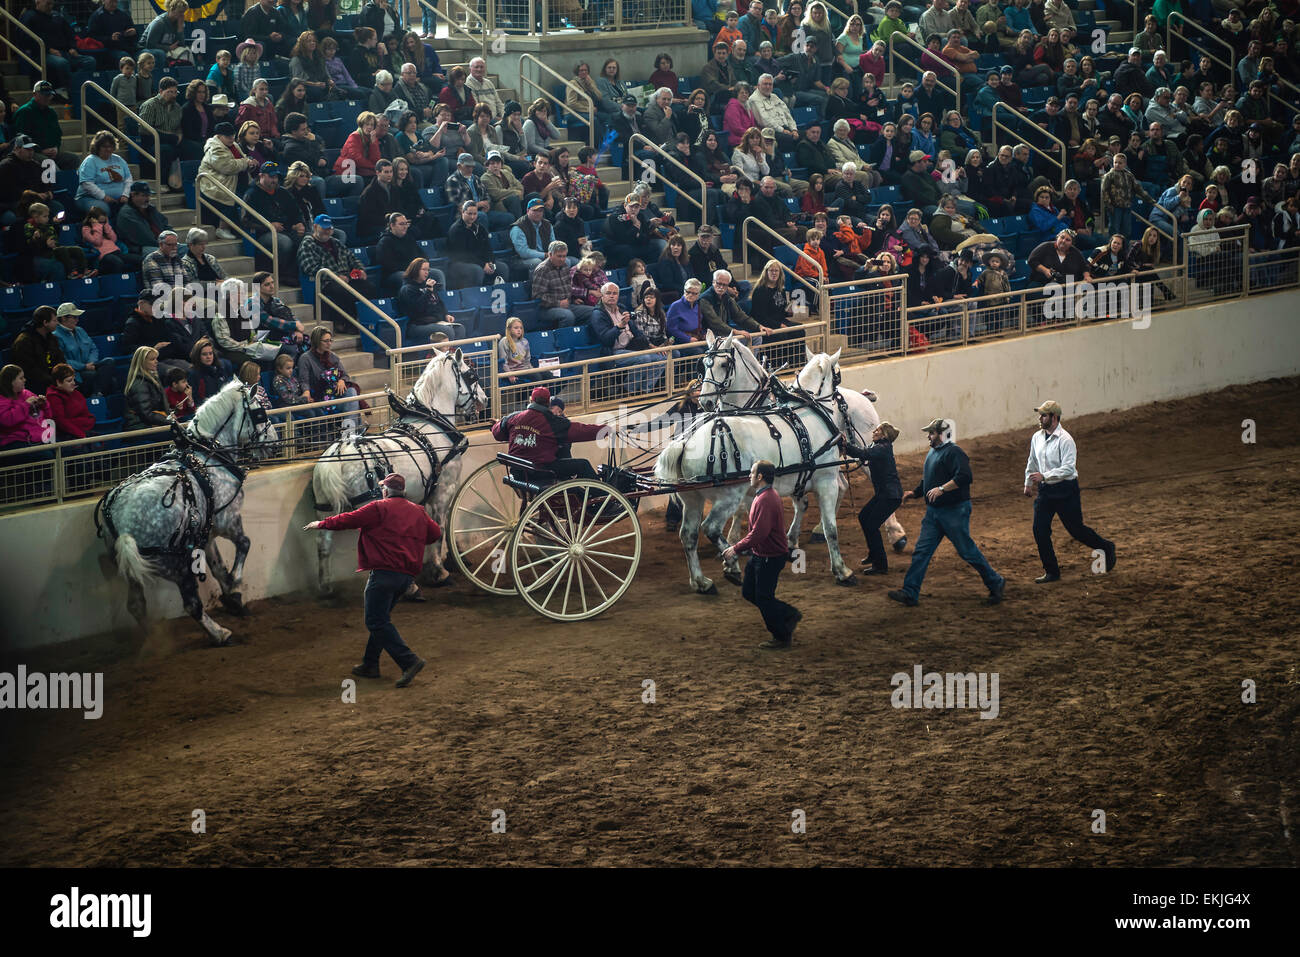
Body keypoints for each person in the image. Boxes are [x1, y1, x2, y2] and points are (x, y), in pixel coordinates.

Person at [304, 472, 437, 688]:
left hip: (384, 573)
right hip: (406, 577)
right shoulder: (418, 511)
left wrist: (321, 523)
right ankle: (370, 664)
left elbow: (348, 519)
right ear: (403, 491)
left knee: (376, 621)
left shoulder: (378, 508)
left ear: (385, 491)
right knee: (381, 619)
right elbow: (434, 534)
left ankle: (409, 661)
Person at [889, 417, 1006, 607]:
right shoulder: (934, 452)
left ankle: (996, 581)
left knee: (967, 551)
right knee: (921, 551)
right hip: (934, 513)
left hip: (954, 511)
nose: (929, 436)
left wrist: (942, 489)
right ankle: (910, 592)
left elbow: (965, 476)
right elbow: (929, 479)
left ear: (942, 434)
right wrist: (916, 493)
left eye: (932, 433)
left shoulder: (954, 452)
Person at [1023, 399, 1116, 583]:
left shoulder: (1066, 440)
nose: (1040, 418)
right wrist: (1028, 482)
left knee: (1076, 530)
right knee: (1039, 530)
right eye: (1040, 415)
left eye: (1043, 415)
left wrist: (1045, 476)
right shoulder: (1037, 437)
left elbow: (1068, 468)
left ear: (1054, 417)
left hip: (1066, 490)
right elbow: (1032, 461)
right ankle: (1052, 571)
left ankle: (1106, 547)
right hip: (1046, 491)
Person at [722, 460, 801, 650]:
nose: (749, 475)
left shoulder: (766, 499)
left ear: (760, 477)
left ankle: (782, 635)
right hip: (761, 555)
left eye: (751, 473)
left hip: (770, 557)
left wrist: (736, 548)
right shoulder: (763, 495)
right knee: (749, 592)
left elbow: (760, 533)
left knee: (764, 598)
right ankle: (789, 614)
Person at [490, 385, 607, 481]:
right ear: (548, 403)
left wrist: (498, 425)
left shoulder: (514, 417)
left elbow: (497, 433)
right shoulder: (552, 422)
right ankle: (603, 501)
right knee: (583, 465)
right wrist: (605, 430)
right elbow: (581, 431)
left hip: (518, 473)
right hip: (541, 471)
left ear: (531, 400)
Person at [841, 422, 904, 574]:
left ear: (884, 435)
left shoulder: (883, 448)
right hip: (885, 494)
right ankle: (874, 554)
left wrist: (844, 444)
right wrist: (846, 446)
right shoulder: (877, 447)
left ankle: (881, 565)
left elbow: (864, 454)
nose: (874, 431)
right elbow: (864, 452)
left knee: (871, 525)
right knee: (864, 517)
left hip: (890, 496)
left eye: (878, 430)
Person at [52, 303, 115, 396]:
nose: (77, 320)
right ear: (64, 318)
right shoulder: (56, 336)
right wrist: (84, 366)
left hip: (90, 365)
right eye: (74, 317)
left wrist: (91, 363)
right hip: (75, 371)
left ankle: (98, 393)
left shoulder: (80, 330)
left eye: (77, 317)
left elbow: (93, 348)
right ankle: (97, 394)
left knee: (109, 361)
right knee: (107, 380)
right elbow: (63, 361)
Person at [11, 307, 67, 396]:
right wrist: (53, 380)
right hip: (35, 383)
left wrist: (63, 375)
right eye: (54, 320)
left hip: (52, 379)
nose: (57, 323)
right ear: (45, 322)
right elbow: (29, 370)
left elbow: (60, 358)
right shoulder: (23, 342)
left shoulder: (51, 338)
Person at [0, 363, 49, 451]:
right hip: (14, 441)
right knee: (48, 457)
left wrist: (43, 405)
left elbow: (48, 416)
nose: (25, 380)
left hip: (38, 436)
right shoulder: (2, 399)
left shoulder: (26, 393)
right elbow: (7, 420)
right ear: (11, 381)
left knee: (63, 451)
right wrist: (25, 405)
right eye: (21, 378)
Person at [122, 346, 170, 430]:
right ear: (142, 362)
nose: (156, 362)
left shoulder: (153, 379)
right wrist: (169, 421)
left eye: (156, 358)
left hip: (152, 423)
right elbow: (146, 414)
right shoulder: (139, 384)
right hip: (139, 427)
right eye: (152, 359)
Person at [46, 363, 97, 441]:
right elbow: (61, 422)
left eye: (73, 379)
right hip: (66, 437)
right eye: (69, 381)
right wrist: (81, 434)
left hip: (82, 432)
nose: (73, 383)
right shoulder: (53, 397)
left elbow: (89, 417)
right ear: (59, 382)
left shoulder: (77, 394)